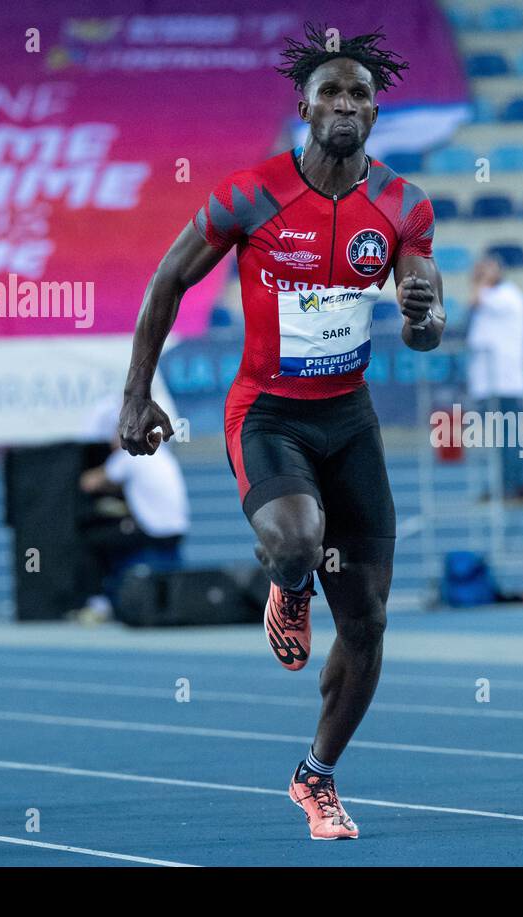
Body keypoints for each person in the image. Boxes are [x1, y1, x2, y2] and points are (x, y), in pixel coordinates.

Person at [116, 24, 446, 840]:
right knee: (297, 538)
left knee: (368, 625)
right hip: (266, 412)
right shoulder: (250, 194)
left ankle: (317, 777)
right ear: (304, 104)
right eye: (330, 92)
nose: (344, 105)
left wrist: (424, 316)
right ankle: (290, 588)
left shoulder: (403, 206)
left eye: (359, 95)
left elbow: (424, 310)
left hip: (350, 418)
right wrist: (137, 396)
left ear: (375, 112)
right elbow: (168, 280)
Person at [78, 398, 190, 621]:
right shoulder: (160, 453)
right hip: (177, 531)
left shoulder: (129, 454)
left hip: (152, 532)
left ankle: (99, 601)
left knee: (89, 539)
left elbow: (89, 482)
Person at [466, 253, 523, 502]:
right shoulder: (500, 297)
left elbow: (474, 298)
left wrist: (482, 279)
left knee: (508, 438)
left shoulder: (505, 297)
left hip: (504, 381)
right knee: (503, 438)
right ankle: (509, 485)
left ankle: (512, 485)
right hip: (495, 381)